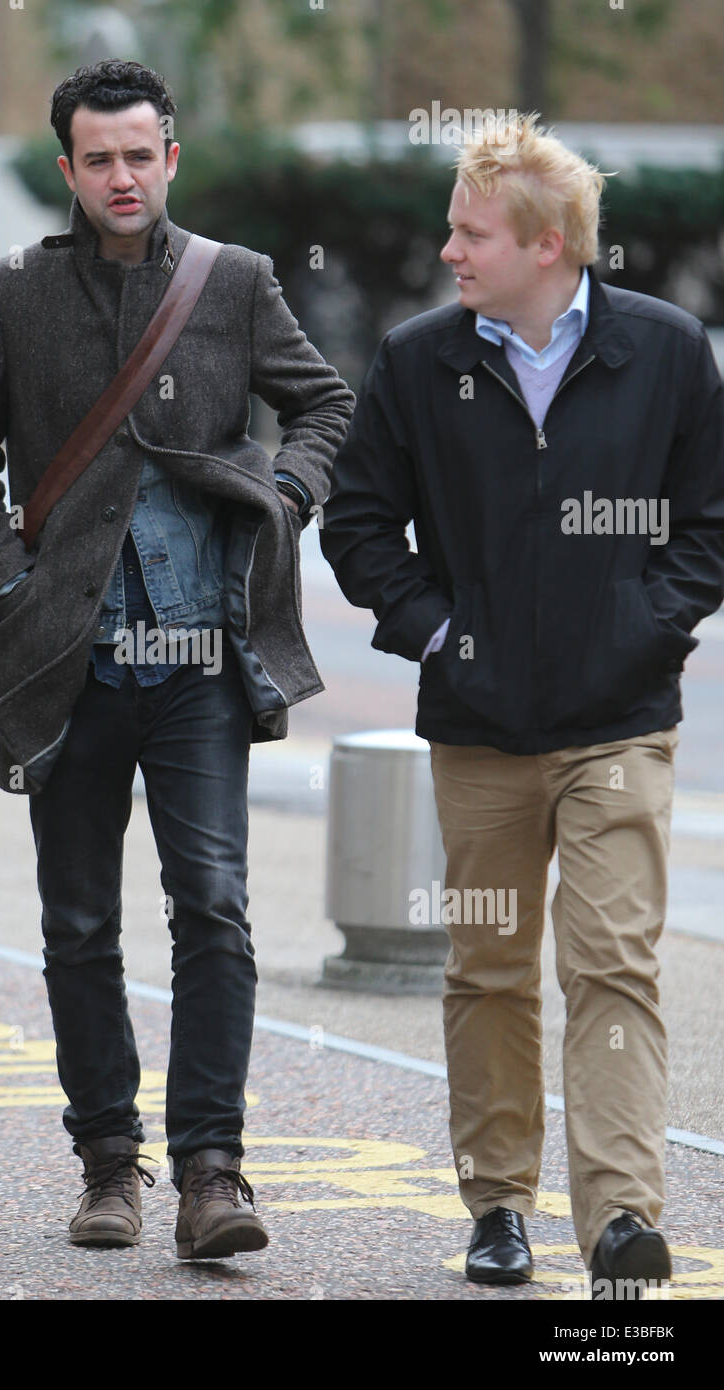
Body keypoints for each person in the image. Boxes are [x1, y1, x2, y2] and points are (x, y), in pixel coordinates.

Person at [0, 60, 354, 1259]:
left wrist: (281, 494)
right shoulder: (9, 293)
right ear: (67, 169)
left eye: (140, 154)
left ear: (173, 156)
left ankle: (214, 1174)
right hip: (62, 661)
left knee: (212, 904)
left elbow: (326, 406)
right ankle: (109, 1166)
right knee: (78, 924)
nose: (122, 175)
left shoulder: (236, 283)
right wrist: (5, 585)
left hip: (203, 657)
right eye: (98, 158)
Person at [320, 114, 724, 1296]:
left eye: (469, 232)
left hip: (620, 725)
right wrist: (445, 631)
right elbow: (355, 526)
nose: (449, 250)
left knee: (613, 967)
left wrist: (640, 628)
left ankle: (620, 1223)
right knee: (490, 969)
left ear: (547, 246)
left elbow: (705, 528)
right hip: (481, 733)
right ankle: (499, 1204)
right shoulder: (418, 360)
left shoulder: (666, 351)